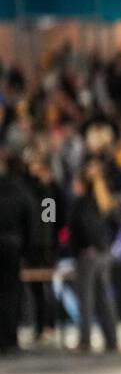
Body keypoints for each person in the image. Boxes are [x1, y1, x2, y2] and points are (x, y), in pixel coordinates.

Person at [68, 162, 120, 354]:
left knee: (86, 300)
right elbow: (116, 224)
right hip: (104, 255)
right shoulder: (105, 200)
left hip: (88, 256)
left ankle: (85, 342)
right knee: (105, 299)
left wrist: (88, 246)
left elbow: (81, 227)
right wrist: (106, 244)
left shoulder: (83, 203)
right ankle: (112, 341)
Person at [0, 151, 35, 354]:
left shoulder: (45, 193)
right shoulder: (29, 191)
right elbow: (44, 219)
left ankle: (44, 327)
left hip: (16, 244)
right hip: (16, 247)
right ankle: (12, 337)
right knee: (13, 294)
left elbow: (50, 213)